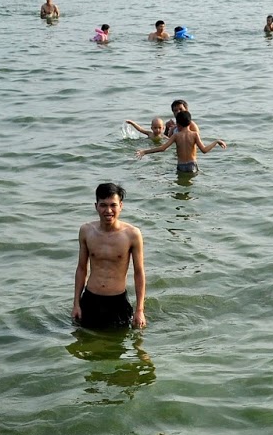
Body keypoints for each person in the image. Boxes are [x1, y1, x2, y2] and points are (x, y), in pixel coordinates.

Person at [73, 182, 146, 329]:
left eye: (113, 205)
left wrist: (140, 310)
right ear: (96, 206)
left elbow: (139, 273)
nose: (108, 210)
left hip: (117, 301)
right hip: (90, 299)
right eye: (103, 205)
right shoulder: (86, 231)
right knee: (83, 340)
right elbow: (81, 268)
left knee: (118, 341)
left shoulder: (132, 234)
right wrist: (76, 304)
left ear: (121, 206)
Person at [137, 108, 226, 175]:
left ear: (178, 124)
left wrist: (145, 151)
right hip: (192, 165)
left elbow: (163, 148)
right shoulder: (195, 134)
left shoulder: (176, 135)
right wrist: (216, 142)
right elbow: (204, 150)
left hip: (181, 166)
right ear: (189, 123)